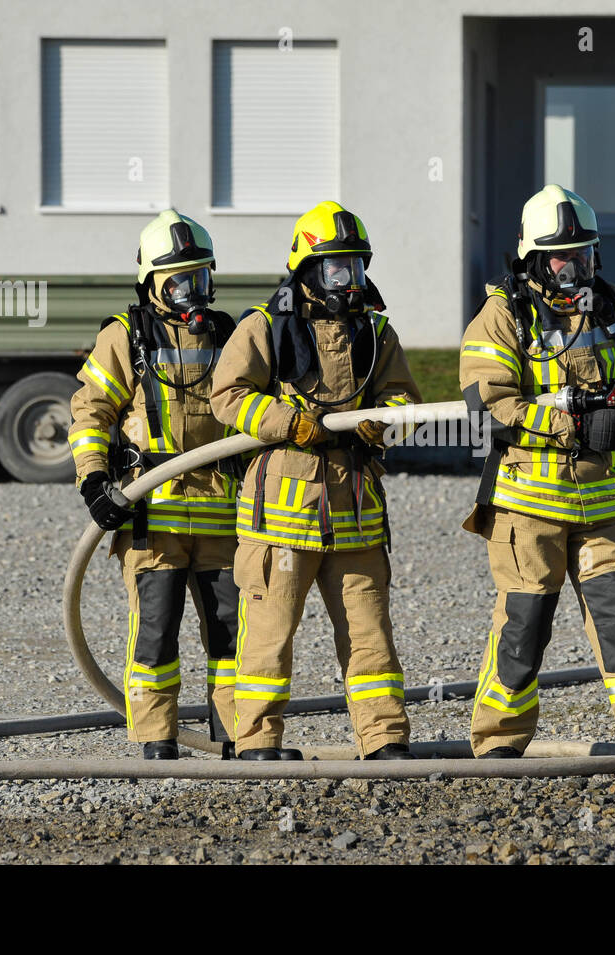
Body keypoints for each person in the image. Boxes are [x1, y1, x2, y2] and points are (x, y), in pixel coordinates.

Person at [458, 184, 615, 780]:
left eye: (583, 255)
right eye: (560, 257)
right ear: (531, 259)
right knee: (523, 626)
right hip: (528, 508)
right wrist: (565, 416)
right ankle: (497, 744)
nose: (574, 268)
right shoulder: (502, 316)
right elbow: (486, 397)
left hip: (605, 505)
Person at [210, 201, 420, 761]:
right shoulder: (264, 327)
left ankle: (383, 741)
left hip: (355, 514)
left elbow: (404, 398)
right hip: (281, 517)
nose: (347, 280)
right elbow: (227, 396)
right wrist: (287, 422)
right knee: (268, 637)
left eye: (354, 267)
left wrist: (386, 421)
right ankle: (256, 744)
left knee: (370, 637)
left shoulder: (375, 332)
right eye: (335, 268)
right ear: (307, 270)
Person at [69, 209, 242, 760]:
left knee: (232, 635)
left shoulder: (228, 333)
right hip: (154, 516)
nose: (194, 291)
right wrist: (95, 481)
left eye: (202, 277)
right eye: (180, 279)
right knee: (157, 632)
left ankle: (236, 736)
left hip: (222, 512)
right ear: (152, 283)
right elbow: (90, 413)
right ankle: (156, 739)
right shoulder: (126, 338)